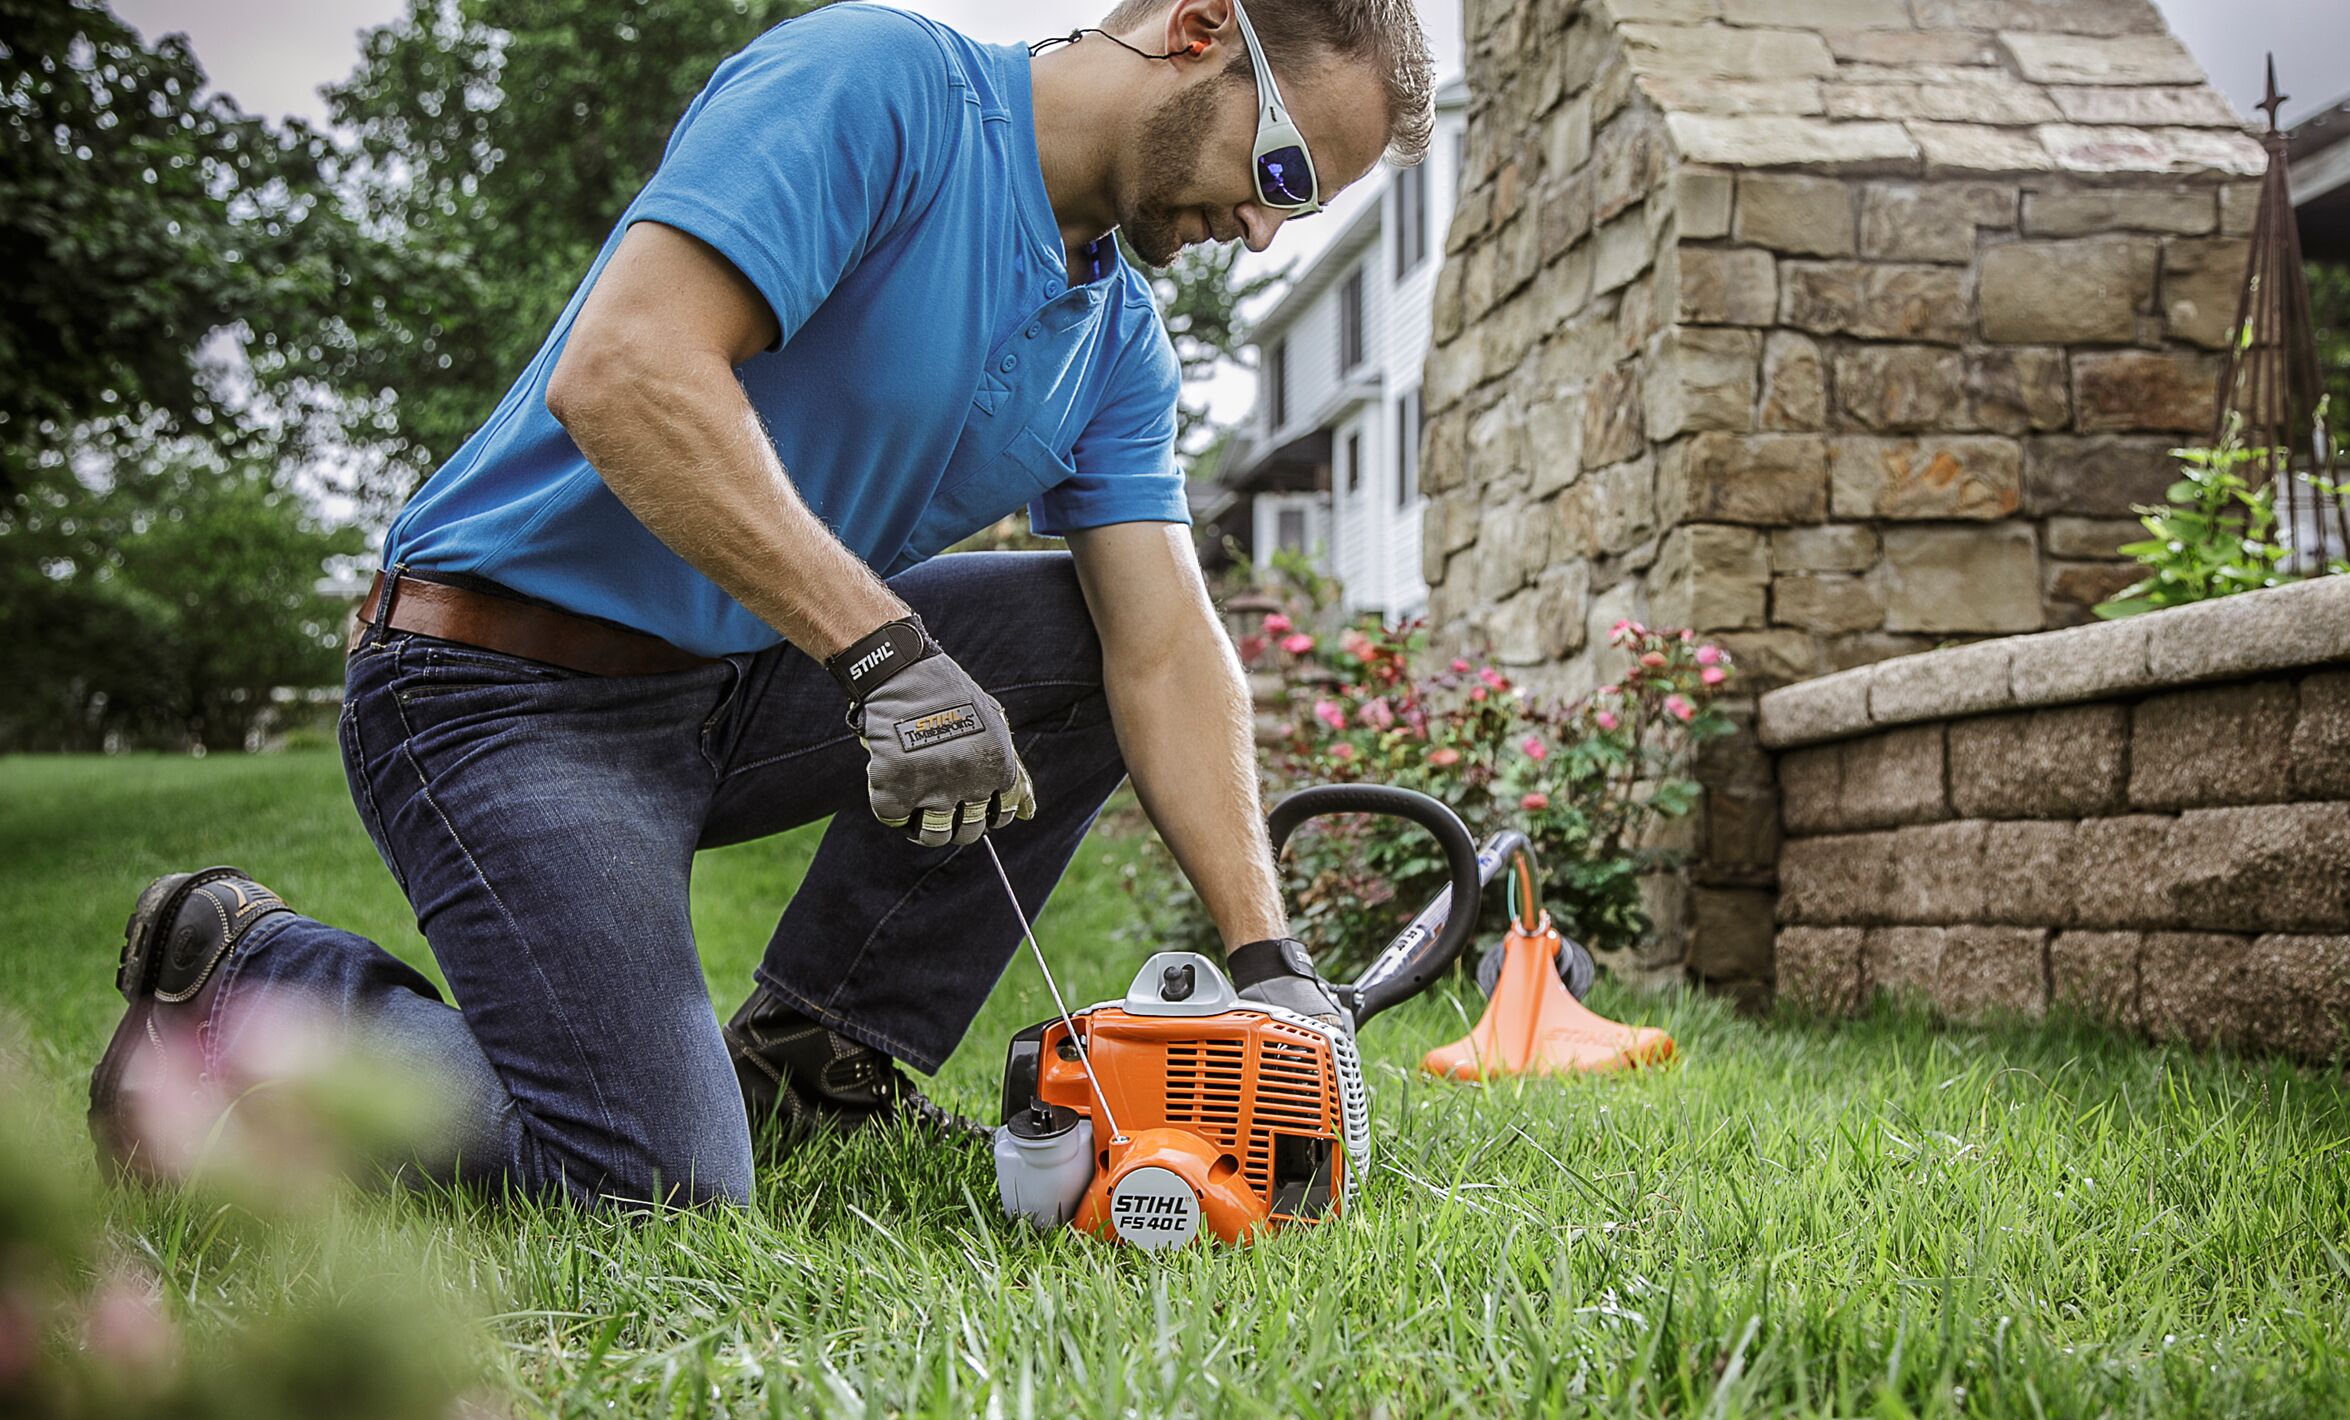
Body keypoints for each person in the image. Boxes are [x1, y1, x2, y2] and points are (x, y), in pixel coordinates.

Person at [88, 0, 1436, 1206]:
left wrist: (1267, 963)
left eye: (1294, 211)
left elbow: (1165, 651)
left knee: (1083, 636)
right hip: (496, 686)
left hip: (731, 683)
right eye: (1277, 174)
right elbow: (626, 371)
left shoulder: (1115, 338)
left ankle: (817, 1061)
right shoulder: (878, 88)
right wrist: (886, 652)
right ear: (1199, 30)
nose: (1260, 227)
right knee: (649, 1178)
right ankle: (243, 974)